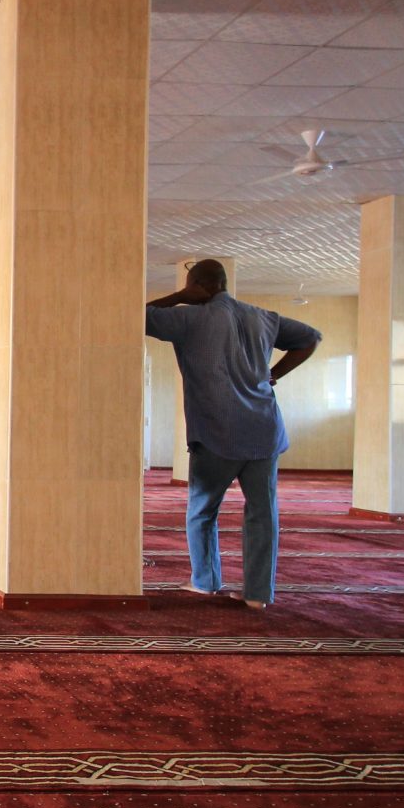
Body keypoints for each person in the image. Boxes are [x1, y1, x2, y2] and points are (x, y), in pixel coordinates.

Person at [146, 259, 321, 610]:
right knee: (263, 513)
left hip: (217, 431)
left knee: (202, 510)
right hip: (264, 431)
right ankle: (258, 594)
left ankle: (205, 581)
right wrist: (273, 375)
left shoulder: (190, 318)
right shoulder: (262, 317)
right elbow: (310, 338)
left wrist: (179, 297)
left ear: (197, 286)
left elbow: (140, 315)